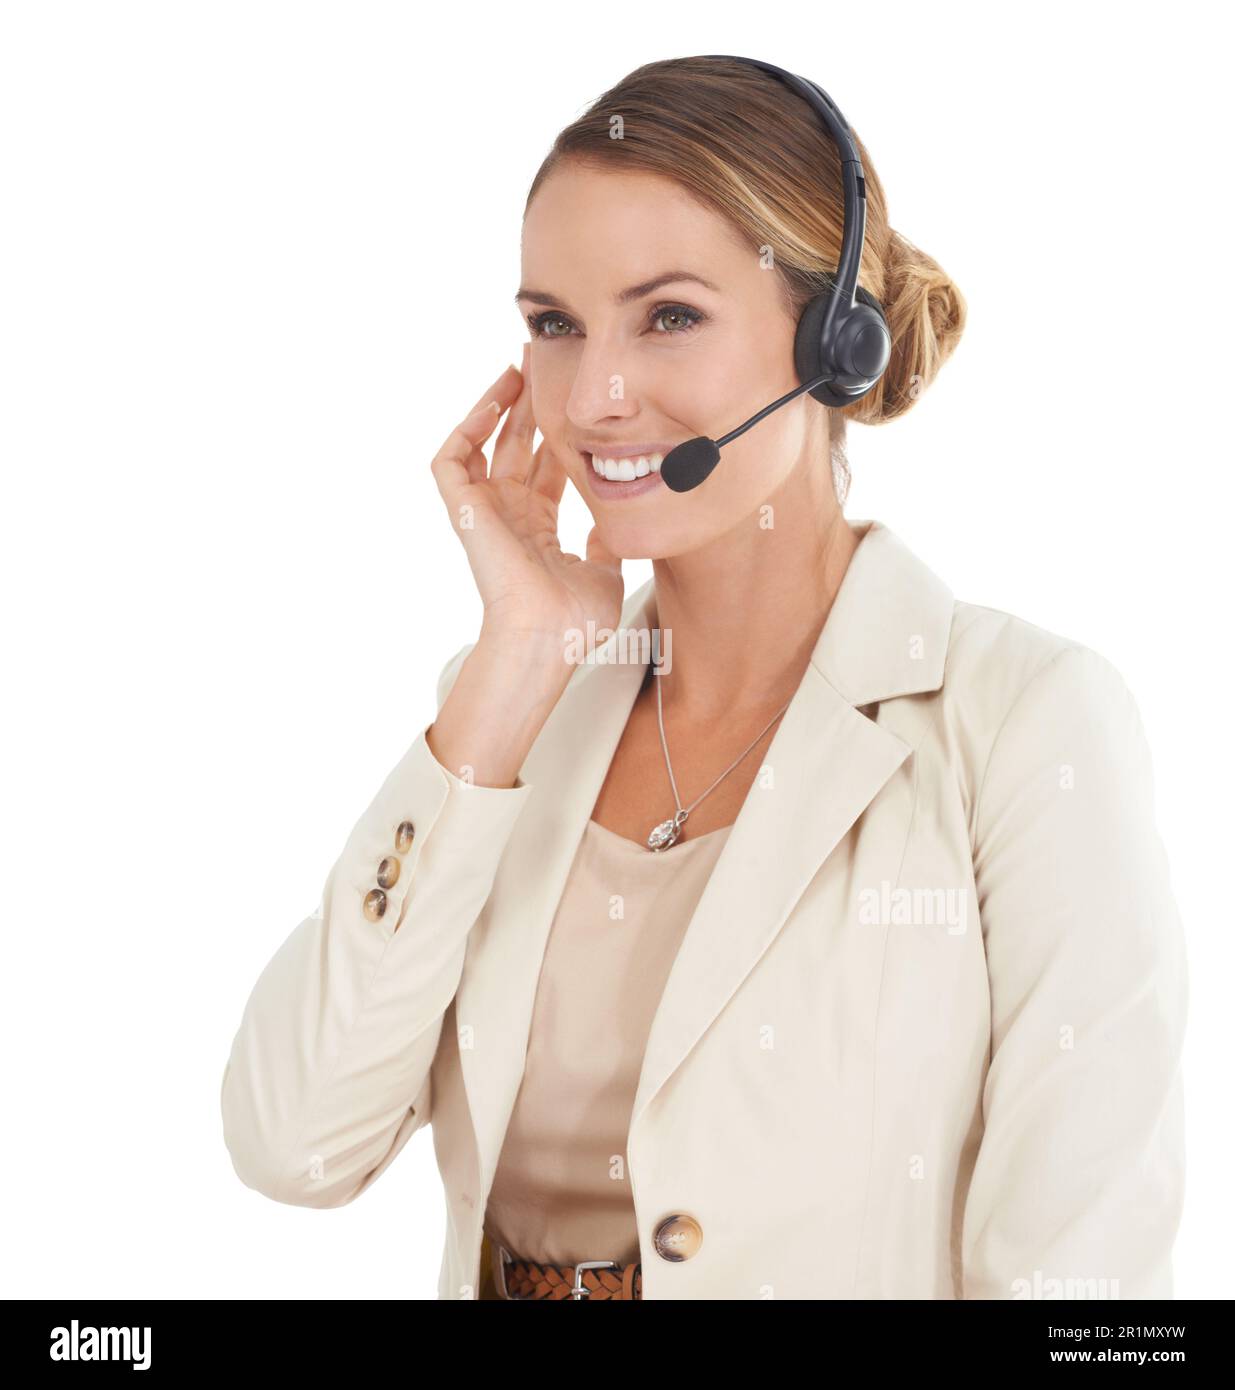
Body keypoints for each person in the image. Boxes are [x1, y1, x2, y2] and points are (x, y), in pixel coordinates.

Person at [220, 55, 1187, 1301]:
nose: (595, 396)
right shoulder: (514, 718)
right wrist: (513, 670)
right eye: (554, 325)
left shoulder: (1022, 724)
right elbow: (290, 1143)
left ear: (831, 341)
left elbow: (1085, 1279)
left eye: (667, 316)